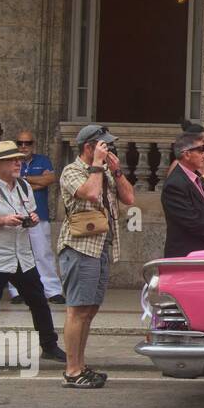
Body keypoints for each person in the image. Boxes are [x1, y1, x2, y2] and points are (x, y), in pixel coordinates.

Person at [0, 141, 68, 375]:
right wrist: (2, 220)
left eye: (18, 158)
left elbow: (29, 212)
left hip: (22, 258)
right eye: (12, 159)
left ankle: (49, 346)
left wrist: (31, 218)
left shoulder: (23, 186)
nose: (18, 162)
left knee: (39, 302)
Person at [58, 124, 134, 388]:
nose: (108, 149)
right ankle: (72, 370)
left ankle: (81, 364)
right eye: (103, 145)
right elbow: (90, 193)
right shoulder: (72, 171)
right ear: (88, 147)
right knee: (77, 309)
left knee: (89, 310)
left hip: (102, 246)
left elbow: (130, 198)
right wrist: (98, 165)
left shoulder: (105, 171)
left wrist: (116, 169)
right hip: (80, 247)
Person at [7, 130, 63, 305]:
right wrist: (35, 181)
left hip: (39, 214)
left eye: (28, 143)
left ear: (33, 144)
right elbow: (11, 181)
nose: (24, 146)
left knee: (43, 253)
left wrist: (24, 179)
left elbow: (50, 179)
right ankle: (16, 291)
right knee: (16, 252)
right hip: (16, 214)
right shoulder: (12, 161)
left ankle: (52, 290)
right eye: (20, 143)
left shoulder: (43, 160)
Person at [161, 132, 204, 258]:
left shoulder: (200, 179)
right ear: (187, 154)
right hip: (187, 255)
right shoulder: (174, 185)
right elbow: (192, 220)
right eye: (200, 151)